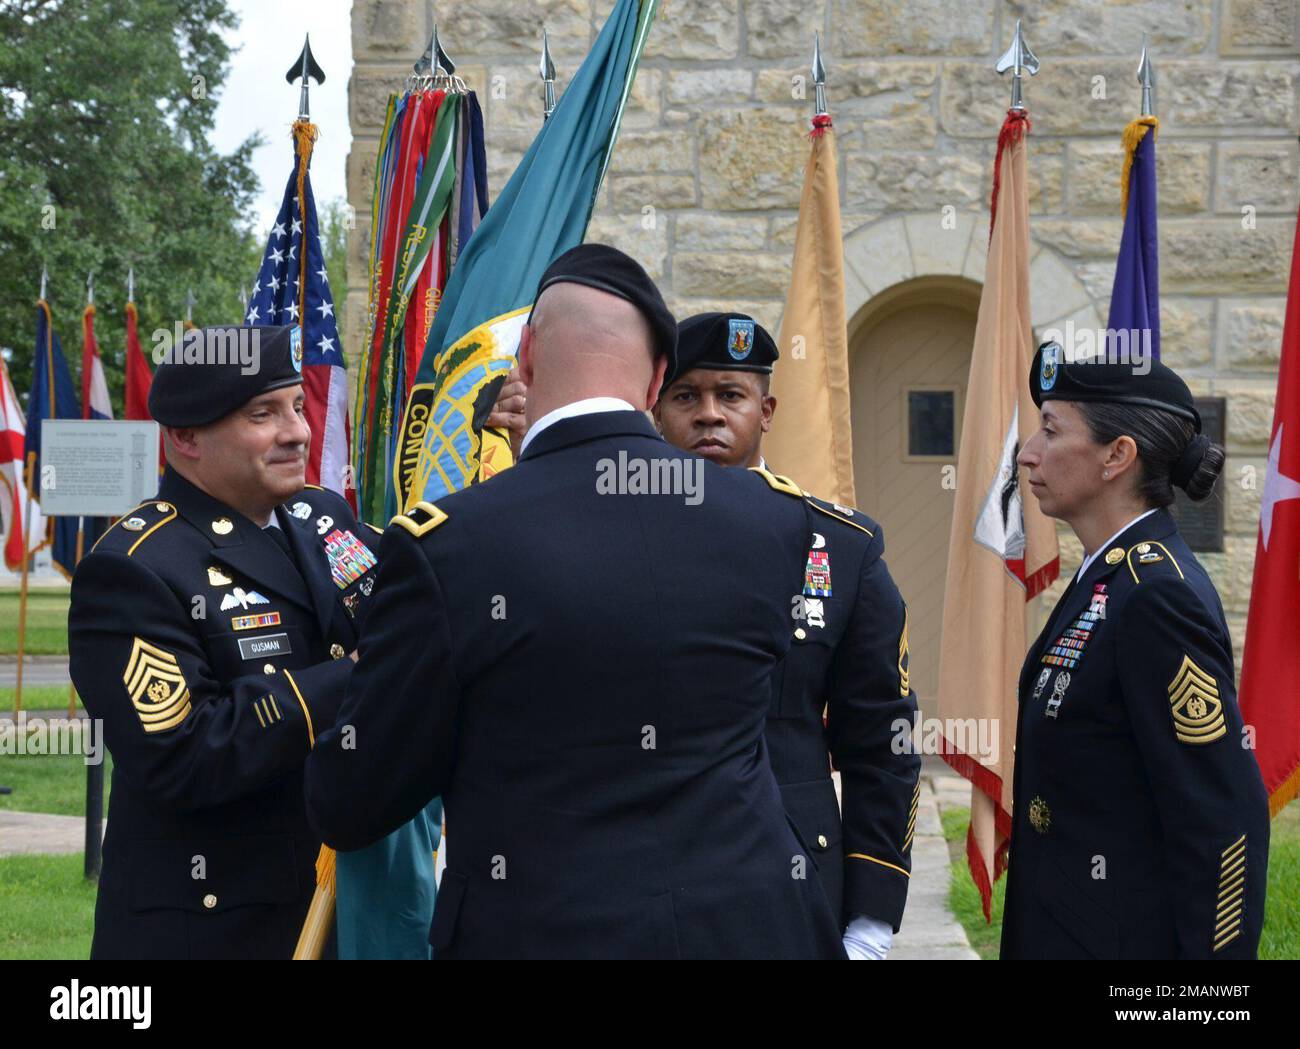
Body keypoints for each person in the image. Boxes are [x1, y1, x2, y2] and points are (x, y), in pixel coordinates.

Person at [304, 245, 844, 960]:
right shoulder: (771, 520)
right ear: (657, 381)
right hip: (754, 928)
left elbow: (357, 797)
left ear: (525, 360)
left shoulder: (448, 546)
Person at [68, 324, 382, 959]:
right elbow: (182, 756)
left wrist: (514, 447)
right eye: (262, 414)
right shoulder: (134, 567)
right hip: (214, 928)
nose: (297, 431)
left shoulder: (322, 516)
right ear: (185, 438)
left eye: (296, 405)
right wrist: (358, 675)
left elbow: (429, 596)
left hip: (345, 906)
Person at [653, 312, 921, 960]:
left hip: (791, 876)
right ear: (654, 409)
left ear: (766, 409)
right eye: (686, 396)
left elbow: (883, 739)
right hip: (648, 877)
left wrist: (871, 917)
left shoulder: (842, 547)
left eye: (731, 395)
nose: (709, 414)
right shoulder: (618, 536)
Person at [1002, 341, 1270, 959]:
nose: (1028, 453)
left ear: (1117, 456)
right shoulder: (1106, 578)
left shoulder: (1155, 596)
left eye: (1050, 429)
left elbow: (1220, 816)